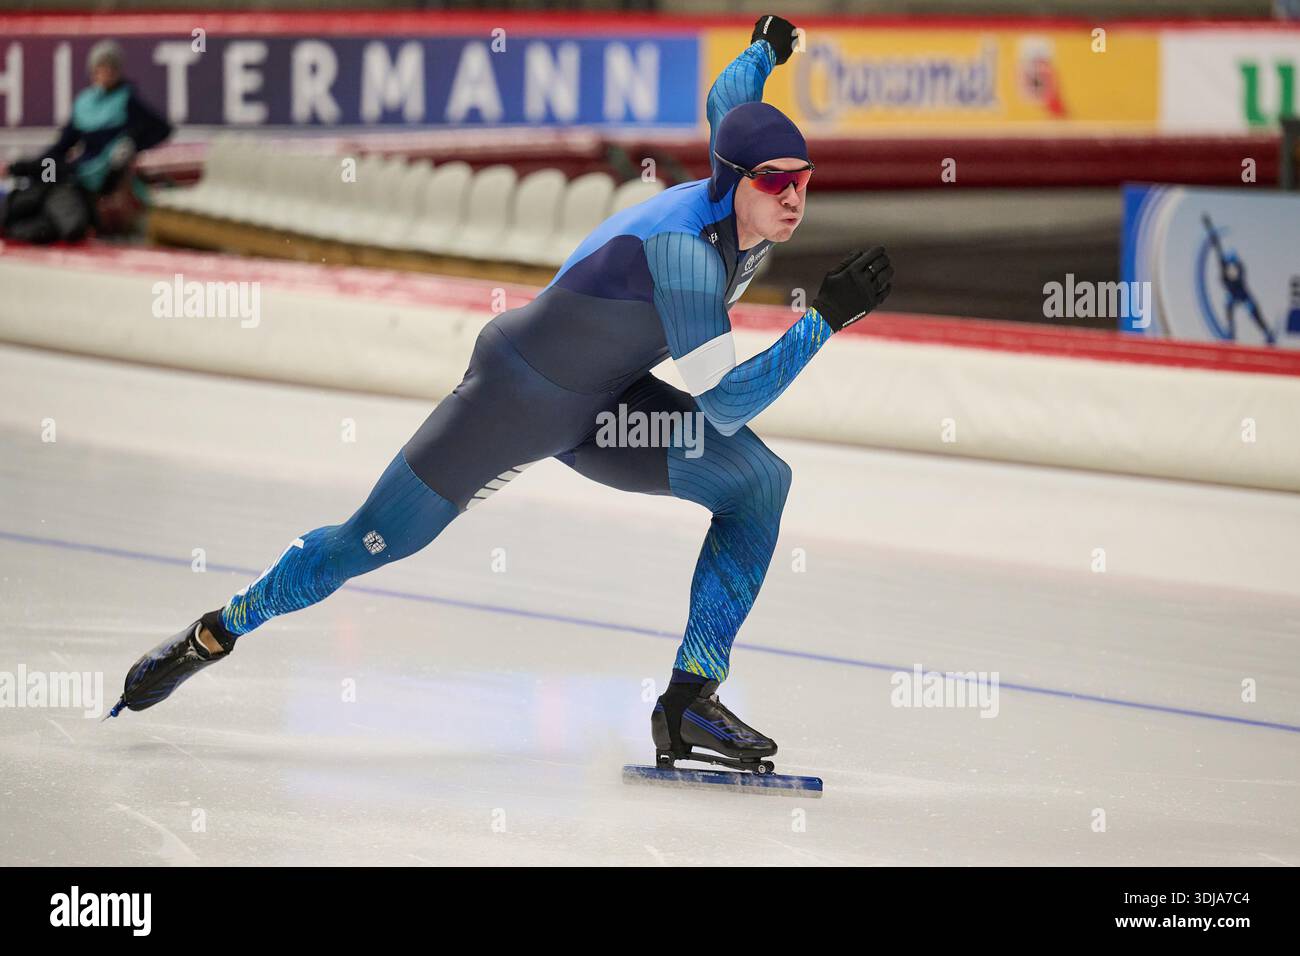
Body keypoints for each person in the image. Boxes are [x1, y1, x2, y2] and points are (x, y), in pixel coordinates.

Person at [110, 15, 892, 773]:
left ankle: (690, 698)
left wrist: (764, 46)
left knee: (759, 483)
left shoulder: (739, 171)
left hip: (607, 409)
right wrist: (821, 320)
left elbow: (730, 94)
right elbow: (724, 403)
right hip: (514, 399)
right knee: (366, 543)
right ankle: (217, 630)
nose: (793, 198)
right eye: (775, 182)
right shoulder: (684, 257)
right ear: (733, 180)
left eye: (803, 182)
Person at [2, 40, 171, 243]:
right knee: (46, 179)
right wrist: (32, 167)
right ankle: (17, 177)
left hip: (98, 178)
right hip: (77, 172)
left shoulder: (128, 101)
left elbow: (162, 129)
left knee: (63, 210)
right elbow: (61, 147)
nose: (105, 72)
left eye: (110, 67)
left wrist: (133, 144)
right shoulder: (85, 103)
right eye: (100, 67)